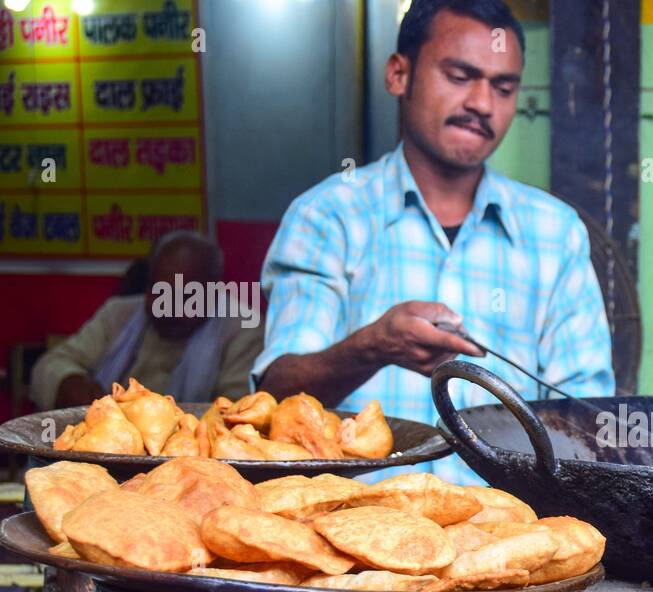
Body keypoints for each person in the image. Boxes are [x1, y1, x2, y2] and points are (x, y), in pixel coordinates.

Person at [254, 0, 613, 484]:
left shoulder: (555, 232)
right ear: (399, 75)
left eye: (503, 87)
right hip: (352, 537)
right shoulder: (327, 216)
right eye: (460, 75)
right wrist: (372, 346)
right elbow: (277, 399)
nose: (482, 103)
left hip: (506, 541)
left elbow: (589, 419)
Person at [30, 232, 262, 410]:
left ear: (214, 293)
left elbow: (234, 413)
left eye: (184, 297)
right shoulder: (119, 314)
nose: (168, 308)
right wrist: (68, 382)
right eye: (160, 292)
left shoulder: (244, 329)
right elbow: (49, 366)